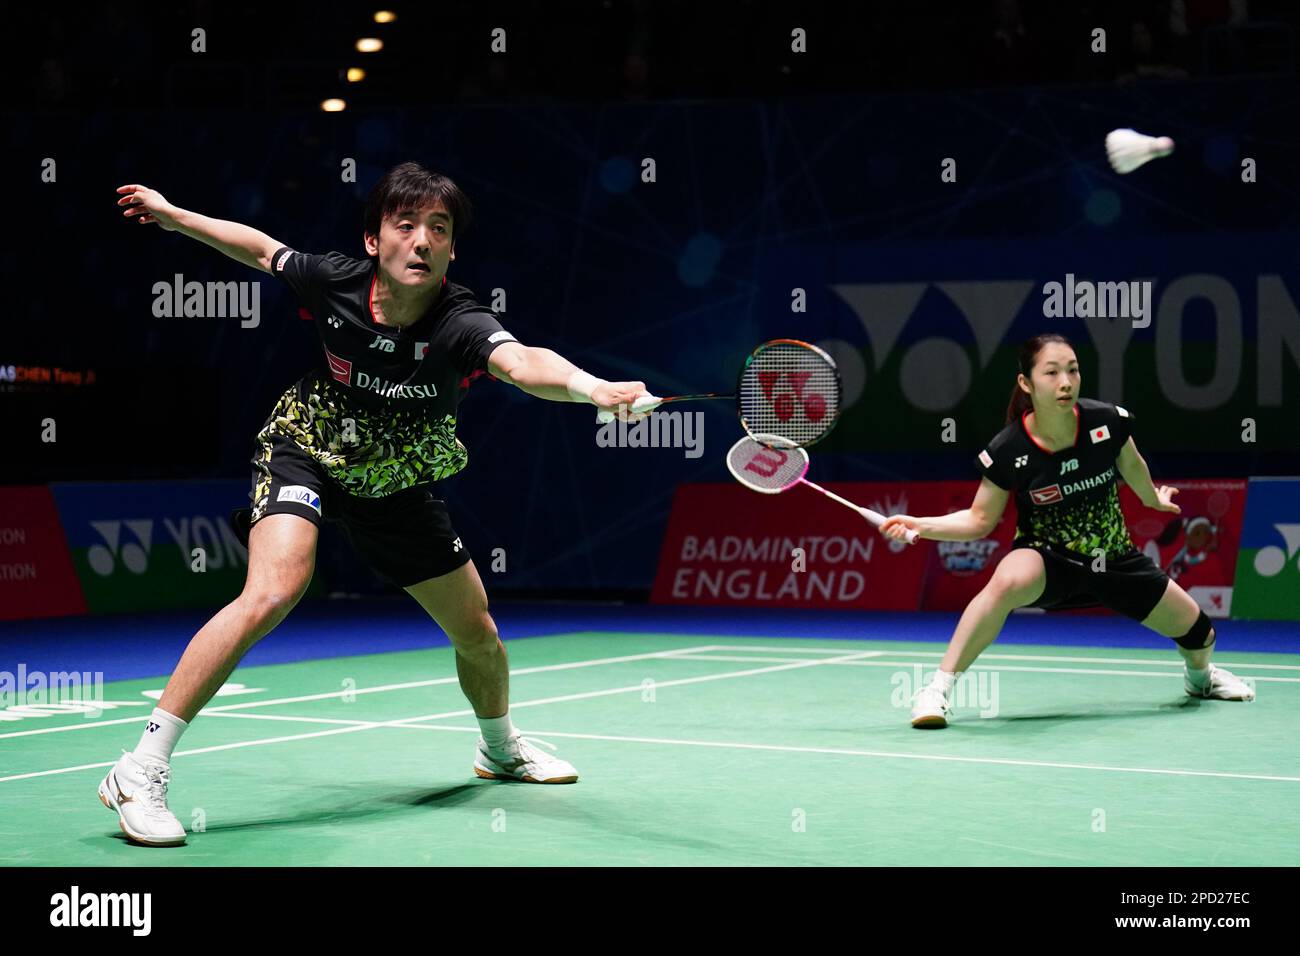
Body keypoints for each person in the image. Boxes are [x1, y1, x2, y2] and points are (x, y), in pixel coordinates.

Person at [98, 162, 650, 845]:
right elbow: (259, 248)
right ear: (373, 240)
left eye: (439, 230)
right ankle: (139, 767)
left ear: (452, 250)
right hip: (308, 447)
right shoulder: (335, 281)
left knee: (477, 632)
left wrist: (590, 387)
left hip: (397, 479)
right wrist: (175, 214)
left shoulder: (461, 320)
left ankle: (499, 748)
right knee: (276, 588)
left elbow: (522, 361)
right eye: (406, 225)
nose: (421, 241)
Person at [879, 333, 1254, 729]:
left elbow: (1132, 466)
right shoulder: (1008, 449)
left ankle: (1200, 680)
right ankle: (936, 690)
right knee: (1007, 580)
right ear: (1026, 383)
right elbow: (979, 520)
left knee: (1200, 636)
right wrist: (922, 525)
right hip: (1048, 557)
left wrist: (1152, 499)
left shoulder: (1106, 422)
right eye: (1052, 372)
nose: (1066, 382)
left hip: (1115, 559)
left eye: (1073, 371)